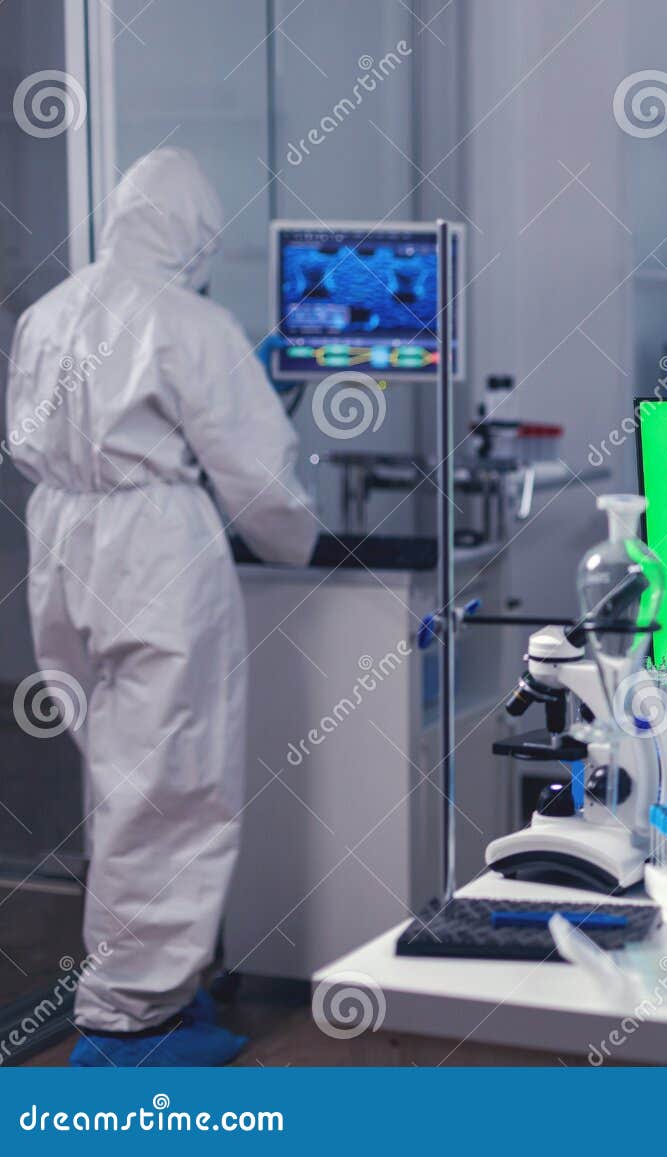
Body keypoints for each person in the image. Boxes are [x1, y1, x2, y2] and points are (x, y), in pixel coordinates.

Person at [7, 148, 318, 1066]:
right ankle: (129, 1024)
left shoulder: (49, 312)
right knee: (173, 785)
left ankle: (139, 999)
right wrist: (296, 538)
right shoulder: (190, 320)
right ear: (194, 232)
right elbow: (262, 482)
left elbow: (28, 435)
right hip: (155, 557)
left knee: (118, 783)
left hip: (61, 544)